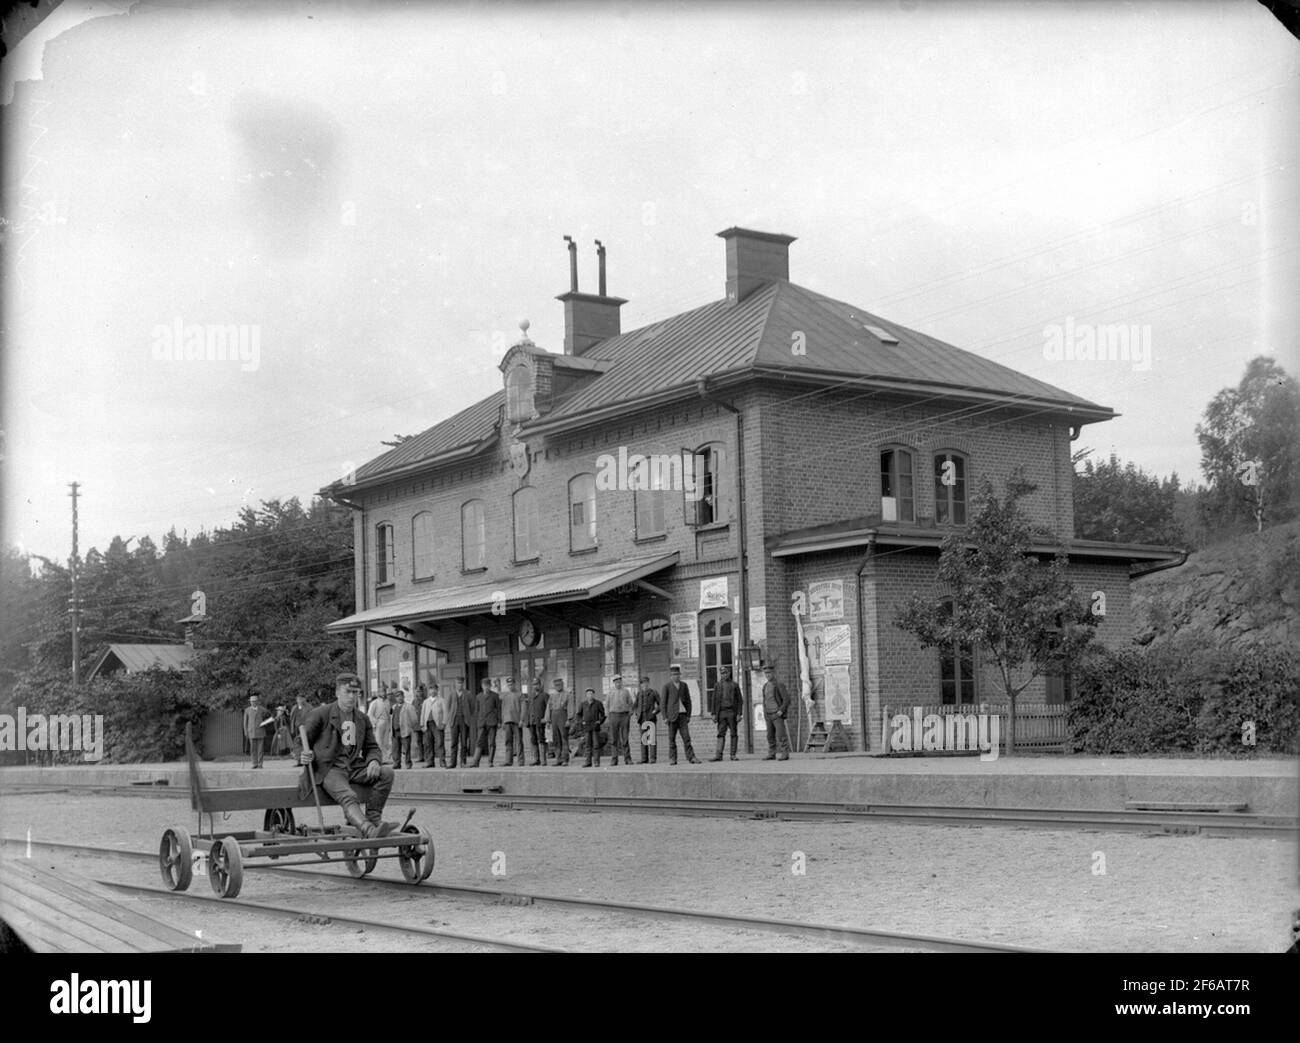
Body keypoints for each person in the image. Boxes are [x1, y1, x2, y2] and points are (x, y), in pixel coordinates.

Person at [294, 672, 396, 839]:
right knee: (349, 796)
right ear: (337, 692)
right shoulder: (321, 714)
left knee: (387, 773)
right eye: (347, 692)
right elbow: (300, 741)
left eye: (355, 693)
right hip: (328, 769)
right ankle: (369, 830)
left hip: (354, 766)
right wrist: (302, 756)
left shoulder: (362, 718)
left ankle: (374, 819)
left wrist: (374, 761)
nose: (351, 697)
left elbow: (372, 747)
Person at [661, 665, 700, 765]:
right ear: (670, 676)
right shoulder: (667, 687)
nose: (676, 676)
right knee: (672, 739)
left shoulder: (684, 685)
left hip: (682, 716)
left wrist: (688, 715)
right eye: (674, 675)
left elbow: (688, 701)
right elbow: (663, 703)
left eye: (678, 674)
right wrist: (665, 717)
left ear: (680, 675)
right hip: (671, 717)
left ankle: (691, 757)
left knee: (686, 737)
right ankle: (673, 759)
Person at [709, 665, 744, 761]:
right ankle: (718, 755)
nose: (724, 675)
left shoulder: (734, 685)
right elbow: (714, 700)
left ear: (729, 673)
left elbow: (740, 700)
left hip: (732, 712)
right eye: (722, 673)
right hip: (721, 713)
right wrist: (713, 713)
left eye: (725, 673)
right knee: (720, 733)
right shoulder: (717, 685)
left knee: (733, 733)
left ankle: (733, 754)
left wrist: (739, 714)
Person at [761, 665, 792, 761]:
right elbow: (765, 700)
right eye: (766, 673)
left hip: (777, 714)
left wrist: (781, 711)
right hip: (768, 714)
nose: (768, 675)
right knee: (770, 735)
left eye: (769, 673)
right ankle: (771, 753)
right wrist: (765, 711)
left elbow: (786, 700)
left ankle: (785, 753)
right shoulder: (765, 686)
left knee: (780, 734)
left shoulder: (779, 684)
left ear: (773, 673)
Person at [606, 675, 635, 766]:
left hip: (624, 716)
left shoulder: (626, 691)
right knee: (614, 738)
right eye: (616, 682)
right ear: (614, 683)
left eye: (619, 681)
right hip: (613, 715)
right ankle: (614, 759)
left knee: (625, 738)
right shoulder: (610, 692)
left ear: (621, 682)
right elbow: (606, 704)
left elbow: (631, 703)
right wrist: (608, 716)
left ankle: (627, 758)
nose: (618, 683)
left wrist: (630, 713)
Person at [473, 678, 500, 767]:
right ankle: (475, 762)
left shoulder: (495, 696)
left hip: (492, 722)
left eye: (488, 685)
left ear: (490, 686)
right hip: (482, 722)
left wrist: (499, 721)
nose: (486, 687)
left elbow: (498, 709)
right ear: (482, 686)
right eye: (484, 685)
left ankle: (490, 761)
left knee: (491, 742)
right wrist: (478, 721)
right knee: (479, 741)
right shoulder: (478, 696)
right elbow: (476, 710)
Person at [578, 688, 607, 767]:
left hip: (595, 727)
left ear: (593, 695)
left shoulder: (598, 703)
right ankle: (588, 762)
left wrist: (599, 721)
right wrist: (582, 722)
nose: (590, 695)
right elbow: (578, 715)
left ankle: (596, 762)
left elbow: (603, 715)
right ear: (586, 695)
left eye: (591, 693)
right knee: (587, 745)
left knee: (596, 745)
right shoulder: (583, 704)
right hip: (586, 727)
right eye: (588, 694)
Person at [546, 678, 572, 765]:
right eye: (556, 685)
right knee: (556, 739)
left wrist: (569, 719)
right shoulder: (552, 696)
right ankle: (558, 759)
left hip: (563, 716)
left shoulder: (567, 695)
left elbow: (570, 707)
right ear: (554, 686)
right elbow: (548, 708)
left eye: (559, 684)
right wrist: (548, 720)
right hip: (554, 716)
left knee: (564, 738)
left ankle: (565, 759)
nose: (558, 686)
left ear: (562, 684)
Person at [500, 677, 526, 766]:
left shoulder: (520, 695)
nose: (510, 686)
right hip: (507, 721)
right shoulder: (505, 696)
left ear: (515, 684)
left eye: (512, 684)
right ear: (507, 685)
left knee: (519, 741)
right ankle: (508, 761)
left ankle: (521, 761)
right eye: (509, 684)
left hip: (516, 721)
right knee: (508, 741)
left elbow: (523, 708)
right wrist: (503, 721)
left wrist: (522, 719)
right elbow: (503, 709)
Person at [635, 676, 660, 764]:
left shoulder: (653, 692)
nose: (644, 685)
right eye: (642, 683)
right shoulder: (639, 693)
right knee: (643, 739)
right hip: (642, 719)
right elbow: (635, 705)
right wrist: (637, 713)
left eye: (645, 683)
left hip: (651, 718)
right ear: (641, 685)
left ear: (648, 683)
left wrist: (655, 712)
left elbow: (660, 704)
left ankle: (652, 758)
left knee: (651, 738)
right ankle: (644, 758)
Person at [243, 693, 271, 769]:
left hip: (260, 731)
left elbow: (269, 716)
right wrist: (246, 731)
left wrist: (265, 723)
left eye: (255, 701)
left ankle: (260, 764)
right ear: (250, 702)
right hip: (251, 732)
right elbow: (245, 722)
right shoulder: (247, 710)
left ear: (258, 702)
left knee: (260, 749)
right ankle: (254, 763)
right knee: (253, 749)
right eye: (252, 701)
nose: (253, 703)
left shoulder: (262, 709)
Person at [421, 681, 445, 768]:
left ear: (437, 690)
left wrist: (444, 723)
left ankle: (442, 761)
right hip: (427, 724)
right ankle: (430, 761)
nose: (432, 691)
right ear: (429, 691)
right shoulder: (426, 702)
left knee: (439, 743)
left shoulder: (441, 700)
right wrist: (422, 724)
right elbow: (423, 713)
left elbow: (445, 712)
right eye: (431, 689)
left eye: (434, 689)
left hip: (437, 724)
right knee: (428, 743)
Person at [444, 679, 467, 769]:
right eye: (458, 683)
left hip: (464, 720)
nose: (460, 685)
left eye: (461, 683)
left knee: (464, 742)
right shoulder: (451, 694)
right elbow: (448, 707)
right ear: (455, 684)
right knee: (454, 742)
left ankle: (463, 762)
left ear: (463, 684)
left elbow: (472, 707)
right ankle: (453, 763)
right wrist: (450, 718)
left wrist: (467, 717)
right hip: (454, 720)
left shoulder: (467, 694)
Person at [527, 677, 549, 766]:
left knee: (541, 740)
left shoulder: (544, 695)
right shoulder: (531, 696)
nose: (535, 686)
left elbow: (548, 708)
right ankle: (536, 759)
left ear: (540, 685)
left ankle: (543, 760)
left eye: (537, 684)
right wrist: (528, 720)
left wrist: (546, 719)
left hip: (541, 722)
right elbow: (529, 709)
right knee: (533, 740)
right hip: (532, 722)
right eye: (533, 684)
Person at [367, 689, 393, 764]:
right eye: (382, 692)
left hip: (386, 722)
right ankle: (379, 759)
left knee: (386, 742)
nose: (383, 693)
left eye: (384, 692)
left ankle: (385, 759)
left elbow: (389, 714)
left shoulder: (387, 702)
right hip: (379, 722)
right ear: (378, 693)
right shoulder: (374, 703)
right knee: (378, 741)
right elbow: (370, 714)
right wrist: (375, 723)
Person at [398, 690, 420, 769]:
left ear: (403, 697)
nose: (399, 698)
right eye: (397, 696)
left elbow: (414, 719)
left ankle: (408, 763)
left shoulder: (409, 706)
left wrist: (410, 727)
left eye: (400, 696)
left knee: (406, 748)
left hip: (406, 729)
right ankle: (397, 763)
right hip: (396, 730)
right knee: (396, 748)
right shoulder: (394, 707)